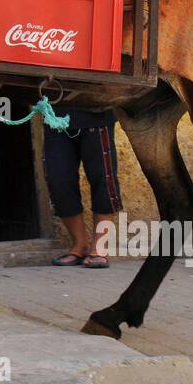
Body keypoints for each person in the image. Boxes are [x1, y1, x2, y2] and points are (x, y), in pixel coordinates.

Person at [44, 109, 123, 269]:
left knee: (103, 180)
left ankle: (99, 249)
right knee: (58, 180)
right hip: (56, 118)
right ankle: (80, 245)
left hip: (96, 116)